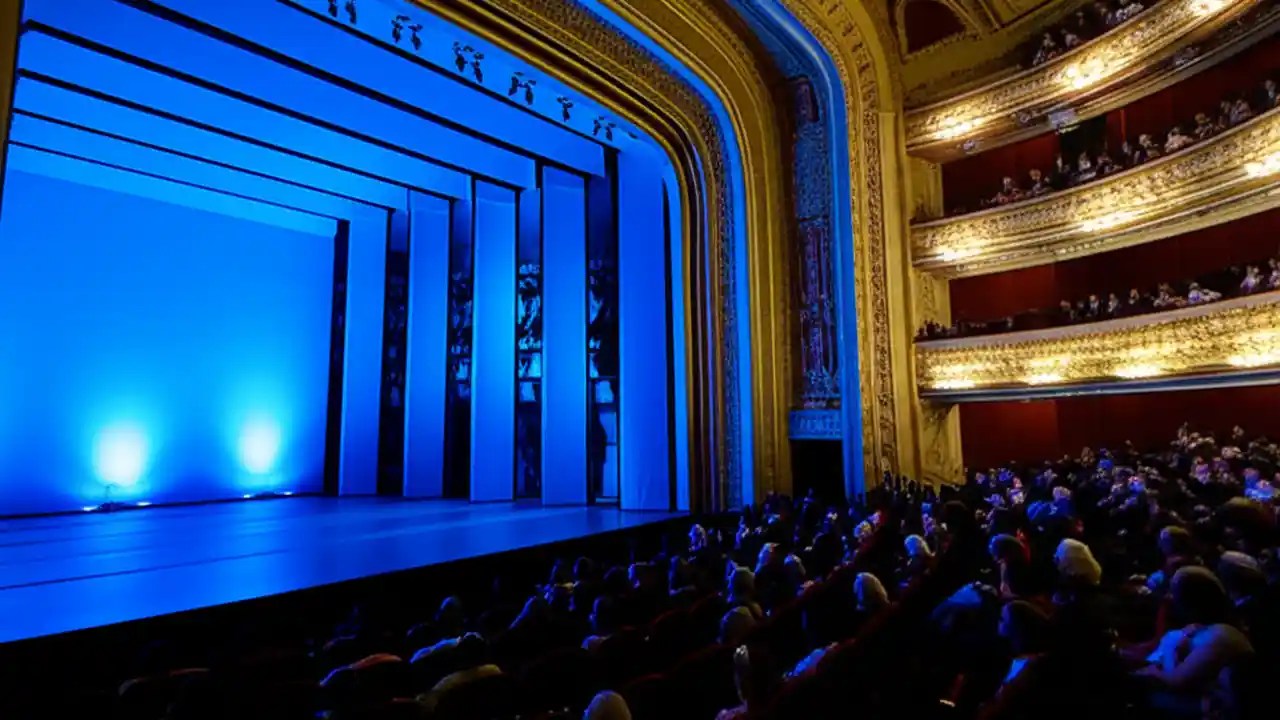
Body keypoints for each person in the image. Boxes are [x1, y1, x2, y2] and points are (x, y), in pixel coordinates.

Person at [1137, 567, 1254, 717]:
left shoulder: (1220, 634)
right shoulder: (1205, 629)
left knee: (1148, 697)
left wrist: (1152, 671)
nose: (1170, 597)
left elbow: (1176, 681)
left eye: (1174, 593)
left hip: (1223, 709)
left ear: (1191, 601)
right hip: (1206, 699)